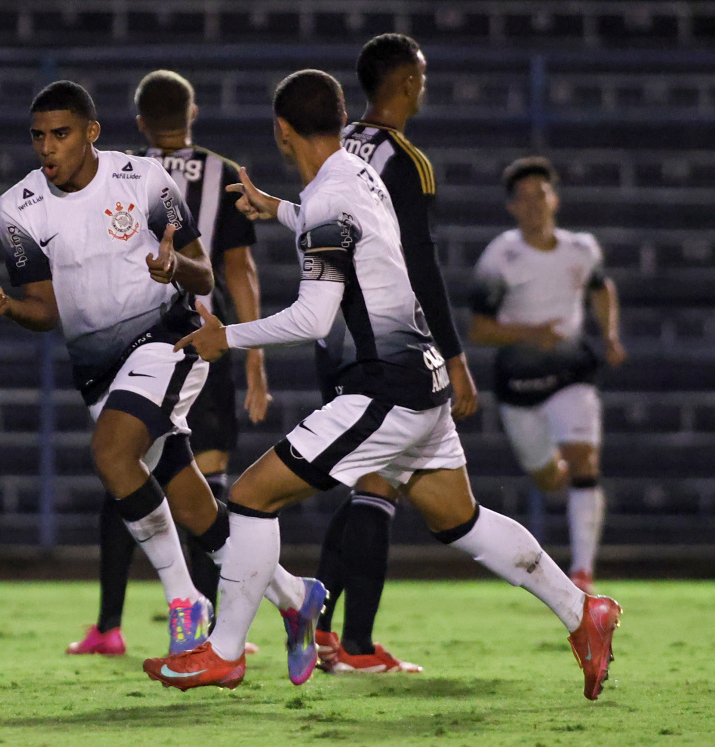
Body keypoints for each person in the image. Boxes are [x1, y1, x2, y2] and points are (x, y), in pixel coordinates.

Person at [142, 69, 621, 702]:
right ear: (341, 122)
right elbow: (349, 235)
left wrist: (225, 336)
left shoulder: (325, 198)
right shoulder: (359, 172)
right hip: (421, 378)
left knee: (253, 496)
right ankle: (583, 611)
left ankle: (225, 654)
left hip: (383, 390)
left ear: (282, 131)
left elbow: (314, 317)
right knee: (461, 520)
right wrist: (277, 208)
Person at [0, 80, 320, 663]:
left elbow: (205, 273)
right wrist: (9, 307)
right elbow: (46, 311)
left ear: (92, 132)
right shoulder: (18, 206)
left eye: (61, 134)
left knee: (111, 454)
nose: (48, 148)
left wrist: (174, 263)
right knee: (197, 510)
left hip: (168, 339)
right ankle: (294, 596)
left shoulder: (143, 179)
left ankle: (186, 601)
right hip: (97, 368)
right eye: (38, 137)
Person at [66, 69, 271, 656]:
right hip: (202, 340)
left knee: (124, 469)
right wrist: (253, 360)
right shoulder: (222, 173)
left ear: (138, 122)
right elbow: (239, 271)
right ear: (193, 114)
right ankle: (221, 627)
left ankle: (108, 626)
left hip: (133, 343)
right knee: (205, 479)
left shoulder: (122, 170)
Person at [313, 32, 478, 675]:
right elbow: (420, 264)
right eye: (423, 76)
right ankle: (349, 645)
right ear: (407, 83)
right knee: (375, 482)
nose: (425, 85)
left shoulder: (337, 146)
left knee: (366, 478)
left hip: (331, 333)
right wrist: (454, 356)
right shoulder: (405, 161)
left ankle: (329, 634)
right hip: (383, 341)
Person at [468, 156, 627, 595]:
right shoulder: (501, 257)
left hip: (571, 373)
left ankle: (582, 573)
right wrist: (527, 333)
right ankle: (569, 508)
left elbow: (601, 287)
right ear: (512, 207)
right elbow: (479, 329)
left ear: (554, 199)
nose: (536, 205)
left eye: (542, 195)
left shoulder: (581, 249)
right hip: (519, 387)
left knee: (583, 459)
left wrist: (609, 335)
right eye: (525, 198)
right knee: (548, 477)